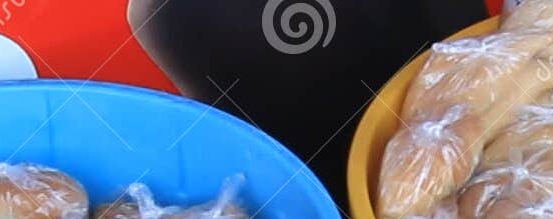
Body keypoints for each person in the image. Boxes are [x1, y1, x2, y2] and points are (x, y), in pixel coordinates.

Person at [131, 0, 491, 194]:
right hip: (448, 159)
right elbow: (470, 51)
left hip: (326, 209)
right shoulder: (167, 13)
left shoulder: (163, 14)